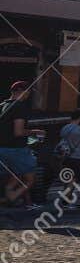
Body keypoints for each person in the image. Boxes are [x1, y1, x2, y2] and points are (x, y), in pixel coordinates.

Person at [1, 79, 37, 207]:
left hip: (2, 149)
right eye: (28, 92)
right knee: (30, 179)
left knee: (16, 175)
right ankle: (11, 198)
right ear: (22, 91)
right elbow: (19, 132)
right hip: (16, 149)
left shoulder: (2, 105)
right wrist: (35, 132)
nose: (29, 94)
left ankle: (15, 197)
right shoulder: (19, 107)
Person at [56, 110, 80, 189]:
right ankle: (67, 194)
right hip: (78, 157)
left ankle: (66, 193)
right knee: (74, 179)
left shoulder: (64, 128)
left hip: (66, 156)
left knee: (68, 177)